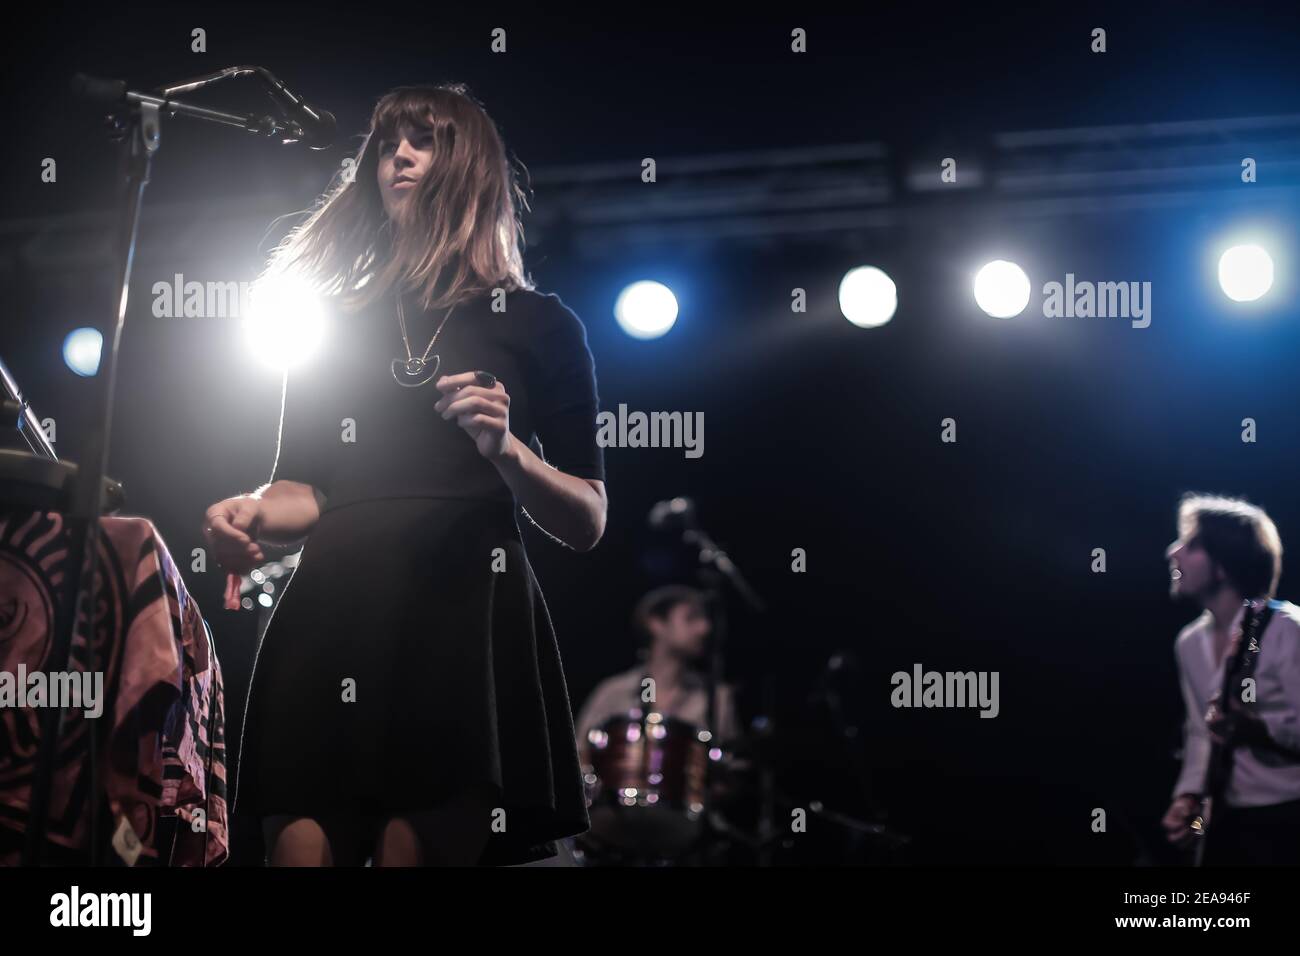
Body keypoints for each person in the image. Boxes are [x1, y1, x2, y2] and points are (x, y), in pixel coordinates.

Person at [203, 83, 607, 866]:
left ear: (469, 167)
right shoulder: (335, 321)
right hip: (332, 615)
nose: (399, 157)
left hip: (457, 619)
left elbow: (588, 519)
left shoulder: (542, 325)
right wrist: (251, 509)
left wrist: (510, 452)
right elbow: (306, 489)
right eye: (388, 144)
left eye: (420, 141)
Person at [1161, 493, 1300, 864]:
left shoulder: (1287, 630)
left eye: (1190, 545)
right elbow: (1198, 731)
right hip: (1232, 817)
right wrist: (1188, 795)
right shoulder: (1188, 642)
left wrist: (1260, 729)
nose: (1172, 553)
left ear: (1223, 563)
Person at [575, 585, 739, 748]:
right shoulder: (614, 692)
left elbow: (730, 761)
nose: (704, 628)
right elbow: (579, 753)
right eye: (690, 618)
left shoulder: (716, 697)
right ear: (656, 623)